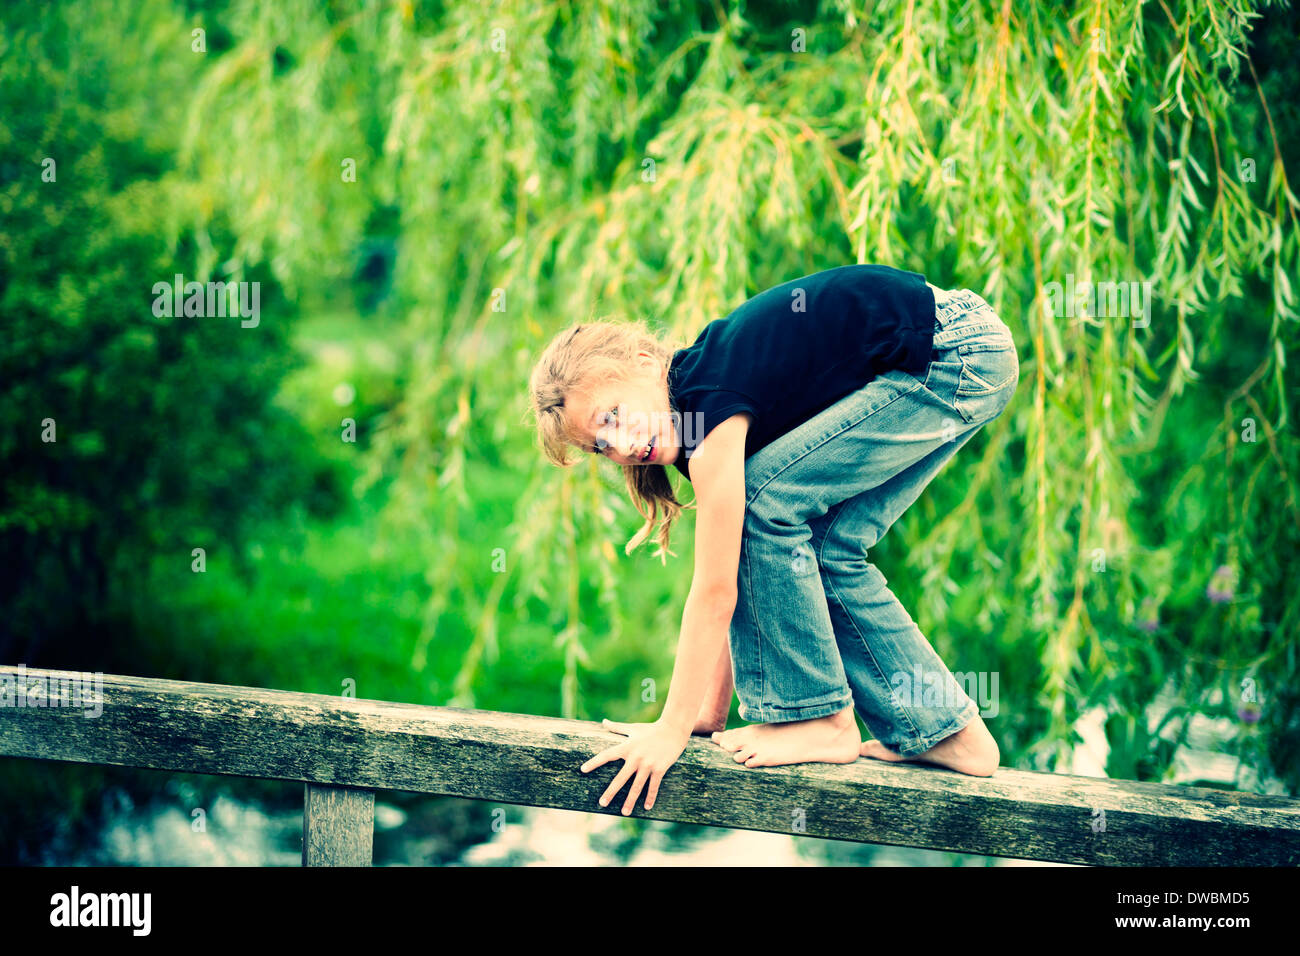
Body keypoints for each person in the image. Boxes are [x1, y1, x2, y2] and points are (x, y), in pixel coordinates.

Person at [528, 264, 1016, 816]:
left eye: (612, 416)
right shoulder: (697, 425)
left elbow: (715, 592)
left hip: (952, 355)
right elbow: (742, 561)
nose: (618, 444)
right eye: (599, 445)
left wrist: (668, 731)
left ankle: (821, 721)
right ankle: (946, 734)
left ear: (645, 363)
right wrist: (701, 716)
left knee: (765, 502)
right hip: (956, 356)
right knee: (823, 545)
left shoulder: (708, 405)